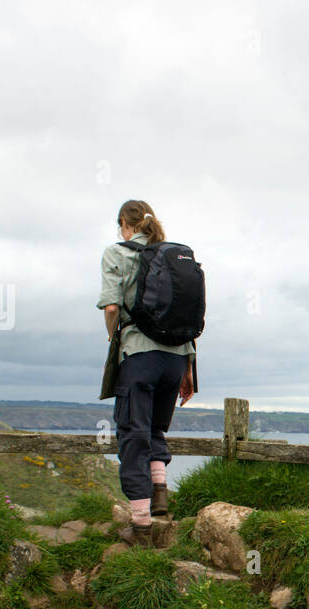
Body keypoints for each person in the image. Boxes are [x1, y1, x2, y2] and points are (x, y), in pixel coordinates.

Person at [96, 200, 196, 545]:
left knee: (133, 434)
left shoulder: (117, 253)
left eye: (119, 225)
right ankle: (160, 497)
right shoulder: (171, 257)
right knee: (155, 428)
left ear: (125, 223)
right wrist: (188, 368)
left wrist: (114, 334)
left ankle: (140, 526)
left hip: (139, 355)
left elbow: (111, 306)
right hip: (177, 359)